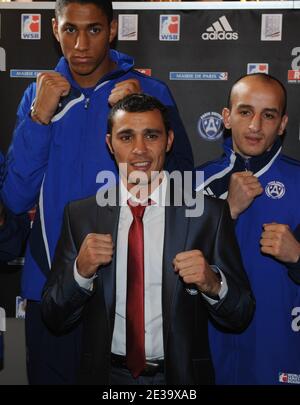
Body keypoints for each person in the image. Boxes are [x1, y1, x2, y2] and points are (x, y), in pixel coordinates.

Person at [0, 0, 193, 384]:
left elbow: (182, 188)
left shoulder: (149, 90)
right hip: (51, 282)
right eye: (70, 29)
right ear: (55, 30)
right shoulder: (37, 96)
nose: (81, 44)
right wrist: (39, 117)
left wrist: (138, 112)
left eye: (93, 30)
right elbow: (16, 198)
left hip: (128, 291)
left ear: (113, 29)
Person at [41, 93, 255, 385]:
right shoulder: (81, 215)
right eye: (126, 137)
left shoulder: (208, 214)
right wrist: (80, 273)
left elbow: (240, 313)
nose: (139, 150)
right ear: (110, 144)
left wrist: (213, 283)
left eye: (151, 136)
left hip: (180, 380)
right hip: (106, 378)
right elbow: (54, 316)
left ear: (168, 140)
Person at [195, 73, 300, 384]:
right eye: (245, 112)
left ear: (282, 124)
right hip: (208, 348)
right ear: (227, 117)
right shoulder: (195, 183)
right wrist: (227, 211)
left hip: (280, 350)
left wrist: (297, 256)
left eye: (268, 115)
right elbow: (171, 270)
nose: (255, 125)